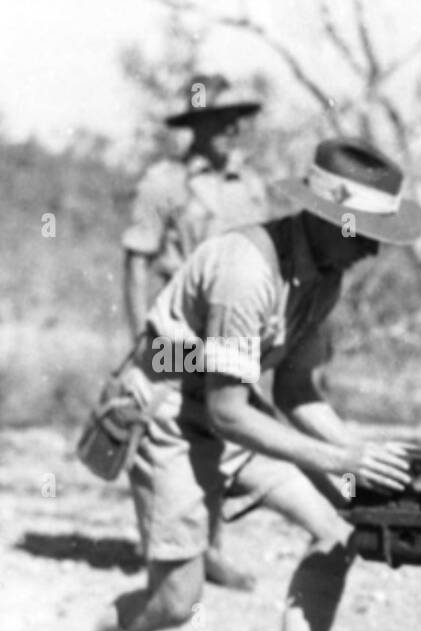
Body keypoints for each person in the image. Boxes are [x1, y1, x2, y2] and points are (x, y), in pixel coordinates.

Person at [47, 138, 421, 631]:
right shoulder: (247, 270)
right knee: (175, 601)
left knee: (338, 532)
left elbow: (297, 390)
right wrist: (340, 458)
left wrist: (362, 461)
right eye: (365, 233)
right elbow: (224, 412)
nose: (373, 250)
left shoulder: (324, 279)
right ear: (326, 218)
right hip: (170, 418)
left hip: (231, 416)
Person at [122, 73, 270, 591]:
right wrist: (145, 336)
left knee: (222, 433)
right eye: (219, 118)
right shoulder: (165, 182)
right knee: (163, 427)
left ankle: (210, 550)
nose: (232, 128)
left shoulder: (249, 184)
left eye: (237, 118)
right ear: (197, 123)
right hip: (177, 328)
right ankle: (162, 553)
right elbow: (138, 259)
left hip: (232, 328)